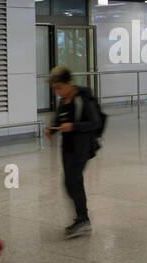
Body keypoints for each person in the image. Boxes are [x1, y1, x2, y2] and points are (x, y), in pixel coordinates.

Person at [44, 66, 103, 236]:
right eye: (54, 89)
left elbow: (95, 123)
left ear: (69, 83)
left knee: (73, 182)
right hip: (68, 148)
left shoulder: (82, 100)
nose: (57, 92)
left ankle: (83, 219)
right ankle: (82, 218)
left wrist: (73, 126)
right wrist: (51, 129)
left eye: (59, 88)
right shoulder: (63, 100)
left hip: (82, 148)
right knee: (70, 183)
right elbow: (59, 119)